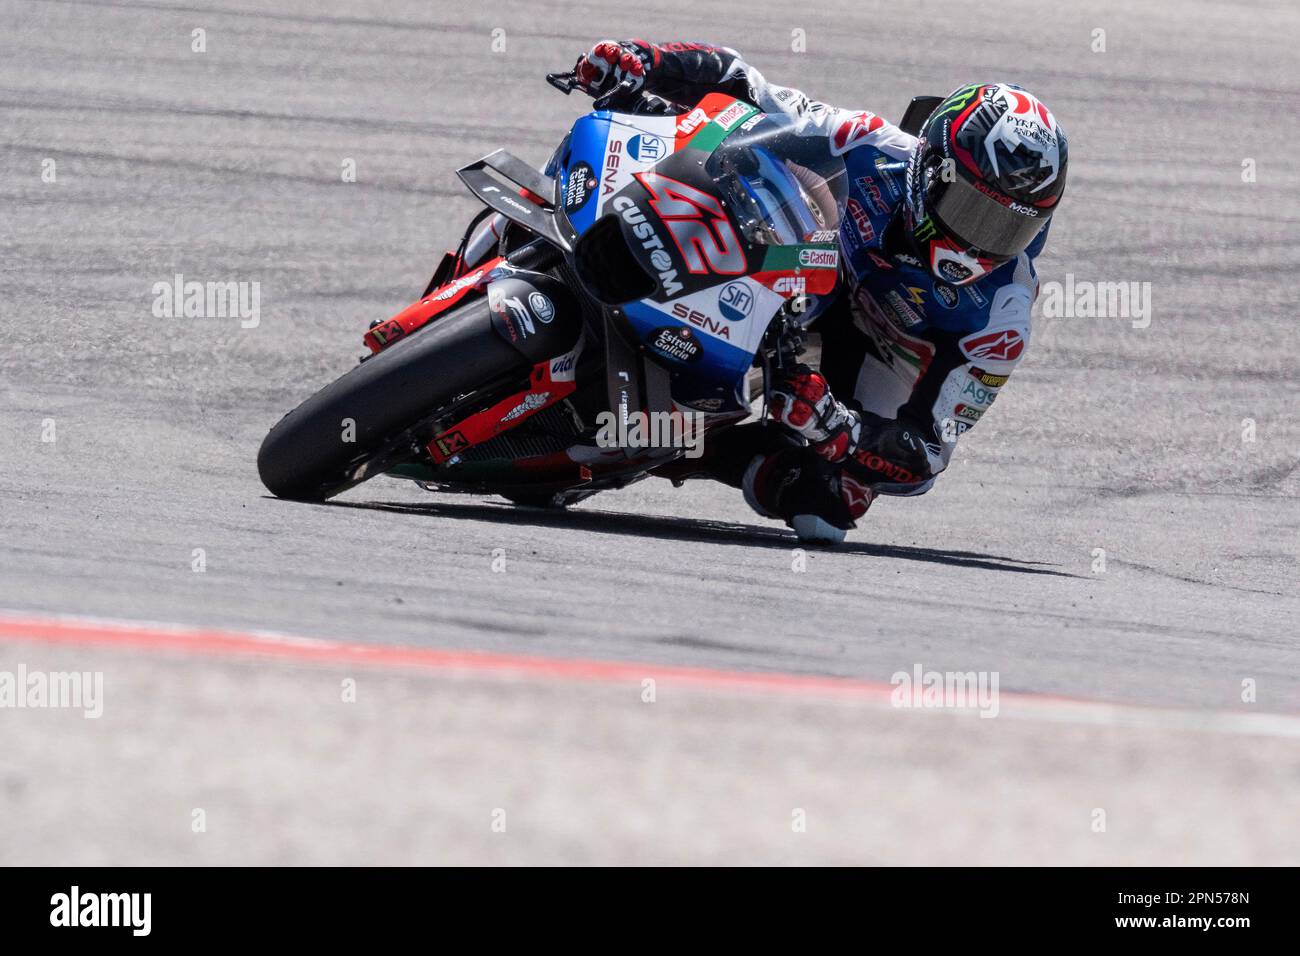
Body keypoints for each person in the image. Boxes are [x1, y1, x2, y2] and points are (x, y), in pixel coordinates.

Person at [569, 40, 1069, 542]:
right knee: (721, 150)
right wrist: (647, 62)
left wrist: (839, 427)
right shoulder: (869, 144)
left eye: (1009, 227)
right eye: (973, 210)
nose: (980, 240)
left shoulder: (1002, 314)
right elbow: (747, 86)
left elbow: (929, 452)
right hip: (800, 276)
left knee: (827, 506)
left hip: (884, 354)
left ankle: (677, 448)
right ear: (931, 169)